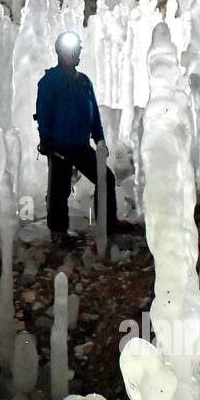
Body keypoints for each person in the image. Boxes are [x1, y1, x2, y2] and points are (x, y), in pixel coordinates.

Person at [35, 30, 119, 246]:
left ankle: (108, 223)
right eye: (76, 49)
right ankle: (58, 231)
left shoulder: (84, 82)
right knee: (59, 189)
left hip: (81, 146)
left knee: (106, 178)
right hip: (60, 145)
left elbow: (94, 114)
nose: (80, 51)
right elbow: (43, 111)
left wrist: (99, 138)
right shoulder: (49, 81)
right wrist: (46, 139)